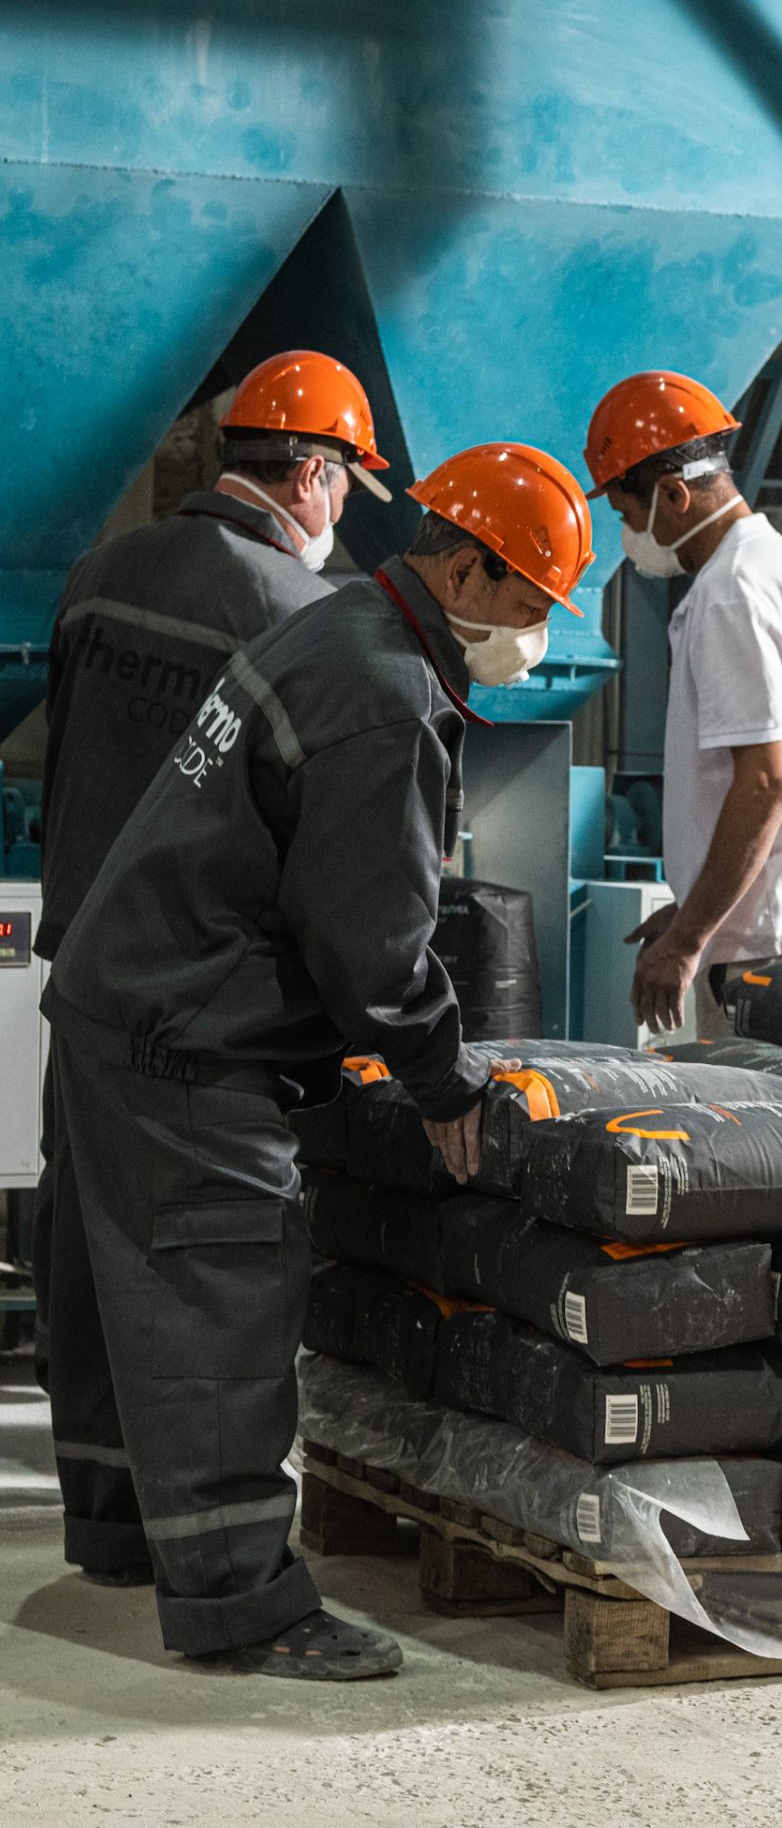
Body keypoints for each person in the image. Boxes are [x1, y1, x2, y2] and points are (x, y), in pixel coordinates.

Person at [39, 442, 593, 1679]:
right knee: (222, 1292)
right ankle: (245, 1607)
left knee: (119, 1287)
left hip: (121, 998)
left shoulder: (340, 622)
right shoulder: (383, 687)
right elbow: (372, 938)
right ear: (465, 568)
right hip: (188, 1026)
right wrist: (443, 1077)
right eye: (530, 602)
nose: (536, 633)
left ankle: (122, 1535)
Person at [32, 350, 391, 1409]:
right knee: (192, 1280)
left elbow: (64, 761)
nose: (340, 510)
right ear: (311, 474)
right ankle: (194, 1507)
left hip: (81, 974)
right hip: (196, 1005)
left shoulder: (100, 573)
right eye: (344, 485)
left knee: (85, 1247)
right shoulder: (299, 613)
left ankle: (99, 1490)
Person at [583, 369, 782, 1039]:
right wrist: (691, 913)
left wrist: (688, 941)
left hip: (772, 940)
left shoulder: (731, 593)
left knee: (770, 1105)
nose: (627, 534)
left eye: (626, 514)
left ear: (672, 494)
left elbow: (767, 783)